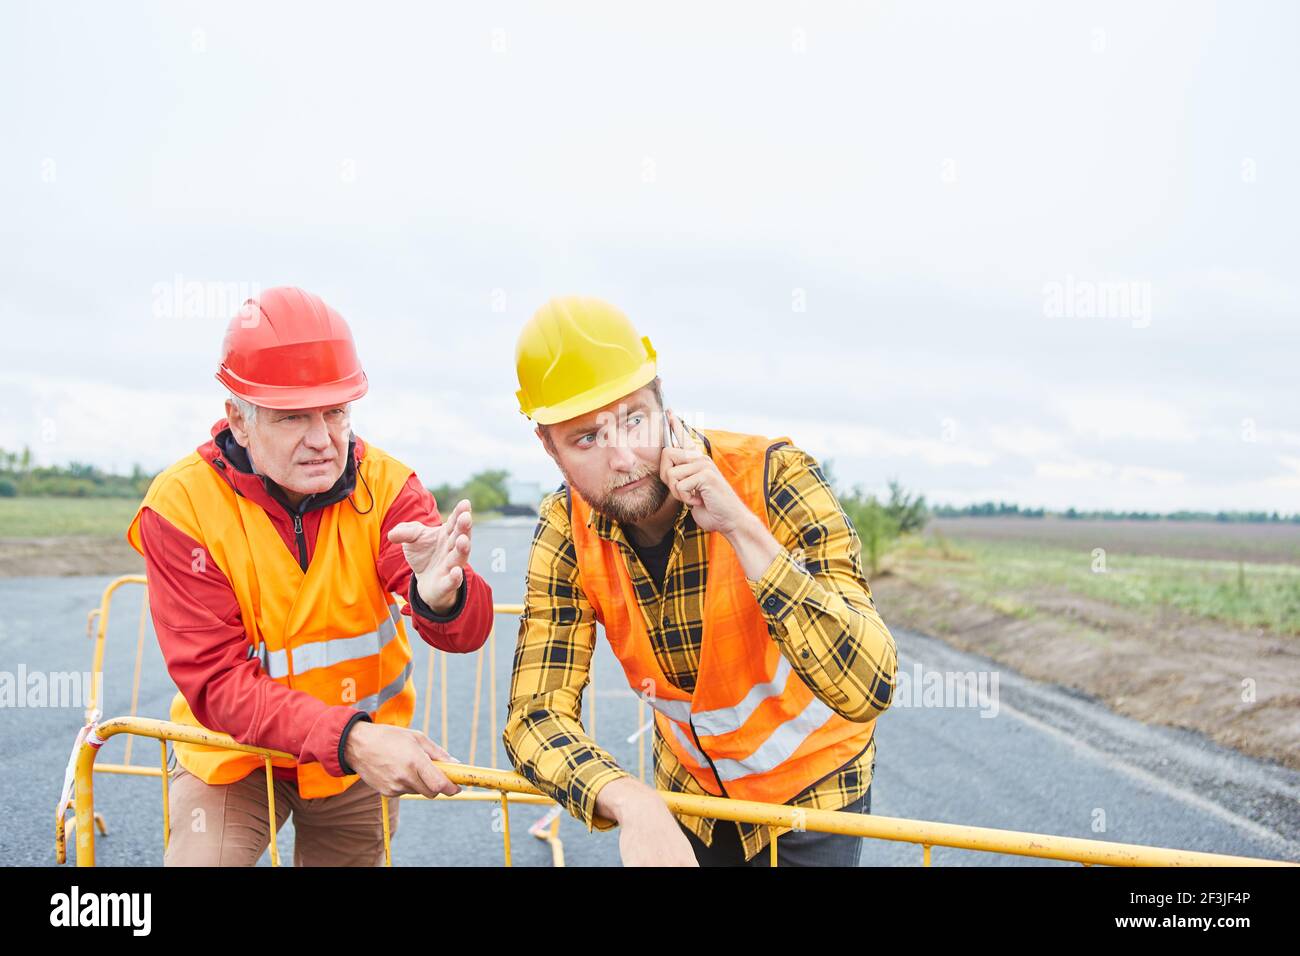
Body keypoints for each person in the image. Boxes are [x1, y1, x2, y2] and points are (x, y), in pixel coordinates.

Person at [504, 295, 898, 866]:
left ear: (662, 400)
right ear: (549, 447)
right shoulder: (566, 526)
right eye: (586, 438)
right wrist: (631, 802)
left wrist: (742, 529)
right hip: (690, 796)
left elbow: (871, 685)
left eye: (633, 420)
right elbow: (533, 715)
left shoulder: (774, 475)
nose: (622, 457)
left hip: (811, 791)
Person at [127, 286, 494, 866]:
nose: (323, 439)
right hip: (235, 754)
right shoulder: (180, 507)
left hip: (354, 769)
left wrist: (441, 598)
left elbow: (465, 633)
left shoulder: (389, 486)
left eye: (336, 412)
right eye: (293, 416)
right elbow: (216, 681)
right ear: (238, 422)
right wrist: (351, 738)